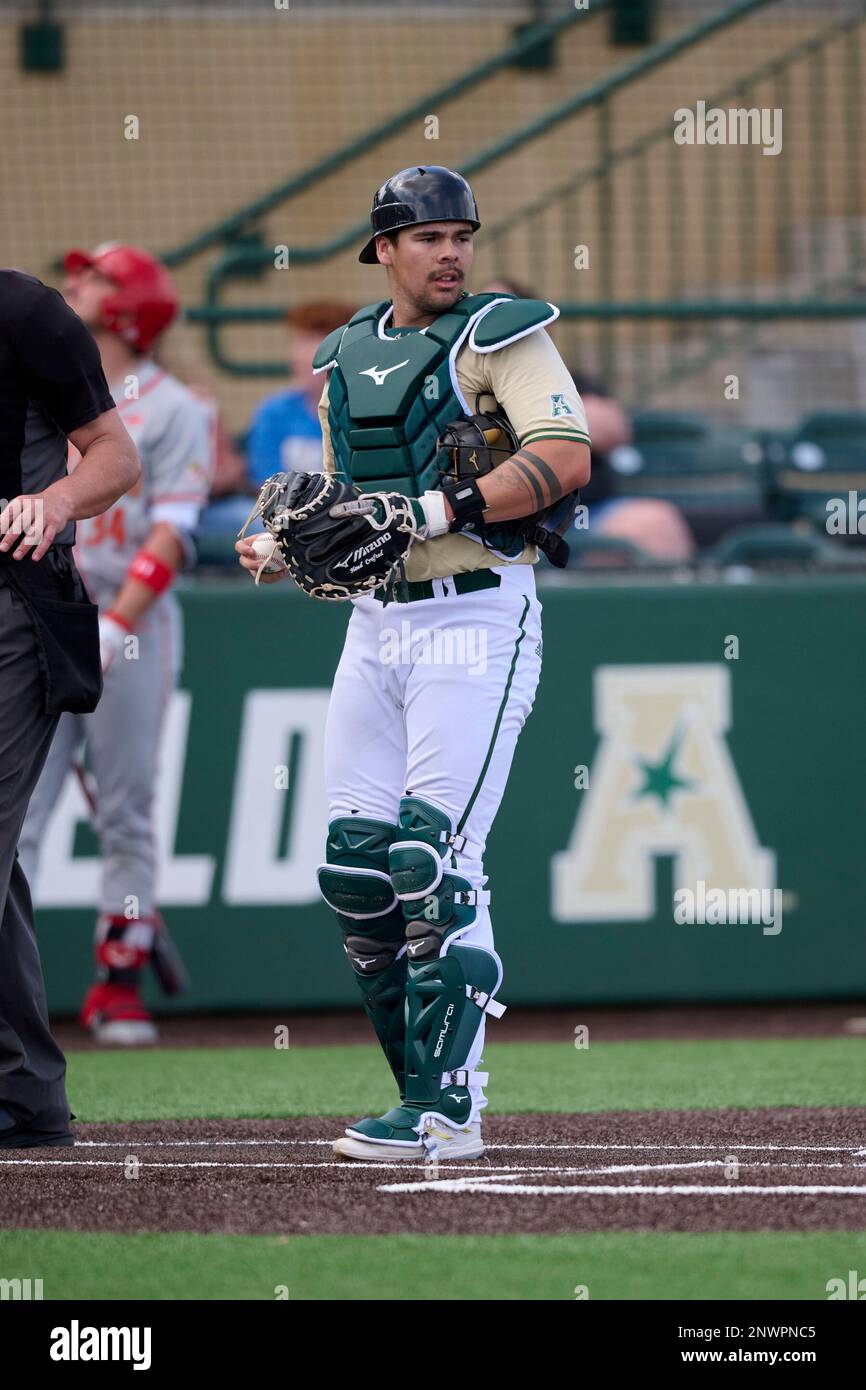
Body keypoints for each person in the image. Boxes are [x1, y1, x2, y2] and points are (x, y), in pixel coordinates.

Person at [237, 165, 591, 1162]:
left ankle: (448, 1109)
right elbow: (345, 500)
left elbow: (564, 457)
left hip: (475, 614)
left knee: (429, 861)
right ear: (382, 249)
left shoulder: (501, 332)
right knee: (355, 869)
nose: (449, 252)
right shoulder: (345, 352)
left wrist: (440, 507)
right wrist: (283, 541)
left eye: (460, 234)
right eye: (427, 236)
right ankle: (416, 1095)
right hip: (375, 623)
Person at [18, 244, 211, 1045]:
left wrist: (115, 624)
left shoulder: (174, 407)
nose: (75, 285)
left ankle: (118, 982)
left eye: (95, 277)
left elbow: (172, 535)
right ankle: (16, 996)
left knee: (126, 807)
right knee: (20, 810)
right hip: (49, 612)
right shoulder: (46, 383)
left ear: (132, 304)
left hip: (127, 627)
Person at [0, 267, 139, 1147]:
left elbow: (117, 454)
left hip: (13, 608)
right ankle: (26, 1095)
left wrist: (53, 500)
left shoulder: (24, 310)